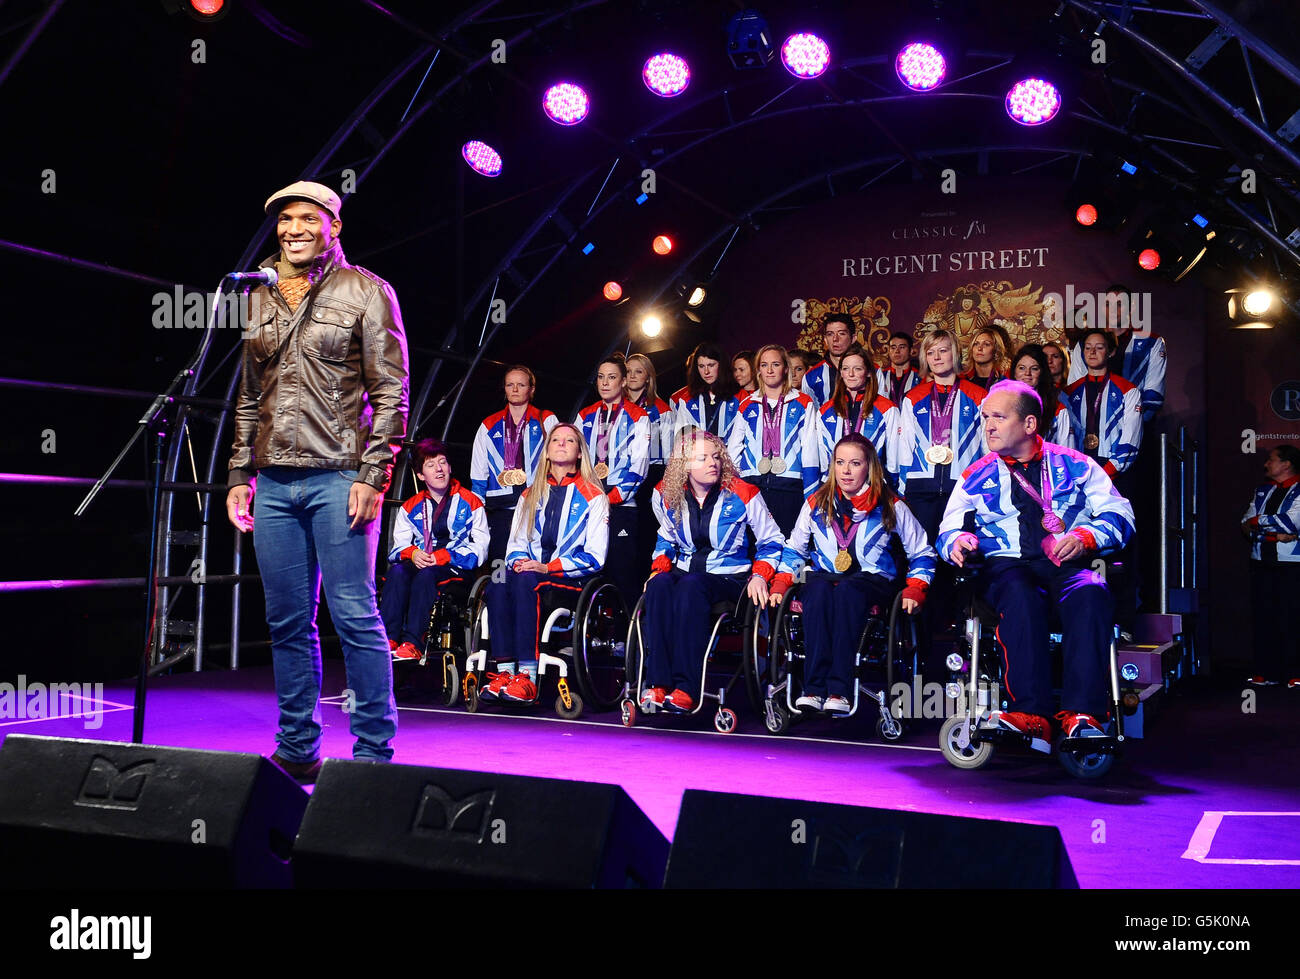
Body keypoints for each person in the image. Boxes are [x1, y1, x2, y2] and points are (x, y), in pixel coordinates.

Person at [226, 180, 408, 782]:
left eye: (307, 218)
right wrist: (237, 474)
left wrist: (372, 474)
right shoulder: (259, 296)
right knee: (285, 621)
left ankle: (372, 757)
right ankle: (298, 745)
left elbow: (391, 393)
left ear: (333, 226)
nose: (294, 229)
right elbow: (250, 396)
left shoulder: (368, 292)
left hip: (340, 477)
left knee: (353, 613)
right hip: (273, 484)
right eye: (284, 220)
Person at [937, 380, 1135, 740]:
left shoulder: (1077, 464)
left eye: (998, 416)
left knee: (1092, 590)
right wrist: (958, 541)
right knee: (1019, 594)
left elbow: (1121, 516)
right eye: (985, 417)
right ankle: (1031, 714)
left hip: (1066, 565)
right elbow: (946, 532)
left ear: (1029, 424)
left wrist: (1086, 536)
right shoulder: (974, 474)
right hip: (1006, 567)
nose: (989, 426)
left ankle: (1082, 715)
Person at [770, 434, 936, 714]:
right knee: (818, 590)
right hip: (825, 577)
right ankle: (813, 689)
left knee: (848, 591)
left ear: (869, 467)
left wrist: (916, 587)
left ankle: (840, 690)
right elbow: (794, 551)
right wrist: (781, 581)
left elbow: (922, 552)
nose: (846, 471)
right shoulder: (816, 502)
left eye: (855, 463)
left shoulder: (891, 504)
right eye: (840, 462)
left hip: (872, 581)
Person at [642, 429, 784, 712]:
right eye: (703, 458)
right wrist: (658, 570)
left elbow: (772, 541)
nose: (713, 463)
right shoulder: (668, 495)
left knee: (691, 585)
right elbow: (666, 539)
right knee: (659, 586)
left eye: (717, 456)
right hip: (687, 575)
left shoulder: (743, 493)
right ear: (685, 465)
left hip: (728, 578)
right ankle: (657, 684)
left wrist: (760, 575)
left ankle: (686, 687)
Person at [483, 424, 609, 702]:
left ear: (579, 453)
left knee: (526, 580)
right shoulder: (530, 494)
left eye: (569, 440)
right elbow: (515, 545)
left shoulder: (594, 496)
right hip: (529, 575)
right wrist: (519, 564)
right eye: (555, 440)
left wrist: (545, 568)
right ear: (547, 451)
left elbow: (595, 557)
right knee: (497, 580)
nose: (561, 444)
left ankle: (527, 676)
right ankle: (505, 671)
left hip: (569, 582)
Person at [382, 439, 488, 661]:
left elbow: (481, 549)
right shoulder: (409, 506)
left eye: (443, 462)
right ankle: (388, 639)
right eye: (430, 465)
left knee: (426, 575)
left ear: (450, 467)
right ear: (421, 475)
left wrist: (445, 556)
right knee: (397, 572)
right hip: (423, 562)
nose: (439, 469)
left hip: (456, 568)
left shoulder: (471, 502)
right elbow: (396, 548)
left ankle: (413, 643)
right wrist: (412, 553)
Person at [894, 328, 987, 542]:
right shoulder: (913, 398)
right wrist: (903, 487)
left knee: (959, 552)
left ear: (955, 353)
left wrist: (983, 484)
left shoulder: (978, 396)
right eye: (930, 352)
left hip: (964, 488)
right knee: (923, 551)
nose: (936, 358)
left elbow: (987, 447)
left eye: (943, 351)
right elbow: (906, 446)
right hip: (920, 487)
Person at [574, 353, 651, 602]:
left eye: (612, 377)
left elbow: (639, 465)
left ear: (624, 382)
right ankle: (590, 632)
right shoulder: (585, 415)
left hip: (621, 506)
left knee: (622, 571)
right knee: (589, 569)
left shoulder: (638, 416)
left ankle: (623, 635)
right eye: (600, 377)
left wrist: (613, 497)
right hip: (588, 504)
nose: (605, 383)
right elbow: (574, 458)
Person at [726, 344, 821, 534]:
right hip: (752, 488)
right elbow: (734, 449)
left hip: (790, 487)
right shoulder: (747, 404)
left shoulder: (803, 402)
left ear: (785, 368)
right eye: (764, 365)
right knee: (755, 550)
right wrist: (735, 489)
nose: (769, 370)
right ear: (758, 370)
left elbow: (810, 449)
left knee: (787, 546)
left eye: (775, 364)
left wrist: (811, 495)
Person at [470, 365, 559, 566]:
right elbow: (478, 472)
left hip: (537, 507)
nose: (515, 389)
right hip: (500, 511)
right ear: (504, 388)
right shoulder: (489, 425)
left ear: (531, 389)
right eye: (510, 384)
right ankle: (497, 596)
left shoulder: (546, 419)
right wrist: (478, 513)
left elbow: (560, 462)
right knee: (499, 568)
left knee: (532, 563)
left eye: (521, 384)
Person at [1241, 444, 1300, 688]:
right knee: (1265, 617)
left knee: (1292, 618)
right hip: (1262, 562)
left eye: (1271, 460)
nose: (1267, 464)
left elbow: (1292, 522)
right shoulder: (1262, 491)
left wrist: (1261, 526)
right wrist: (1275, 535)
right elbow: (1245, 523)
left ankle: (1295, 672)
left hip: (1293, 565)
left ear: (1286, 464)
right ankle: (1266, 672)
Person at [1067, 283, 1166, 423]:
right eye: (1108, 304)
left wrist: (1131, 426)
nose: (1113, 310)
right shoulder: (1084, 343)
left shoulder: (1151, 342)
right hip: (1093, 426)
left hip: (1137, 424)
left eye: (1119, 304)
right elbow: (1075, 388)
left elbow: (1153, 395)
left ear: (1132, 308)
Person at [817, 342, 901, 486]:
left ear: (868, 372)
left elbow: (894, 459)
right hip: (836, 486)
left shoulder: (887, 409)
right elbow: (823, 460)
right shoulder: (825, 411)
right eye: (845, 369)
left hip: (874, 486)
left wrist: (891, 489)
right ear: (841, 372)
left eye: (857, 369)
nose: (850, 374)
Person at [1061, 329, 1142, 479]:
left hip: (1113, 470)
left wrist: (1108, 472)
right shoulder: (1068, 393)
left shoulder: (1128, 391)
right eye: (1088, 347)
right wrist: (1073, 470)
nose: (1092, 352)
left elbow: (1131, 436)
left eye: (1099, 347)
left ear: (1111, 352)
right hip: (1078, 468)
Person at [626, 353, 673, 574]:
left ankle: (645, 580)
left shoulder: (661, 409)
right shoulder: (614, 407)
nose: (632, 376)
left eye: (639, 371)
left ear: (648, 377)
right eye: (628, 371)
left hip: (651, 474)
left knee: (644, 532)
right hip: (621, 472)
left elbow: (669, 451)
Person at [670, 342, 742, 443]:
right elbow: (682, 440)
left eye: (711, 365)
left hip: (731, 457)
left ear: (721, 365)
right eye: (701, 366)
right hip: (699, 457)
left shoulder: (740, 397)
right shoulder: (687, 400)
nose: (706, 371)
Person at [1012, 343, 1071, 445]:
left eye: (1034, 368)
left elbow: (1067, 453)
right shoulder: (1002, 405)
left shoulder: (1057, 409)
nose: (1027, 373)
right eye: (1021, 368)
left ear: (1043, 372)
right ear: (1014, 372)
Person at [802, 314, 856, 408]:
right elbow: (809, 414)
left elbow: (880, 410)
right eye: (830, 334)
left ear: (853, 338)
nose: (835, 339)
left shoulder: (872, 371)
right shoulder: (811, 376)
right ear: (826, 340)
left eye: (841, 333)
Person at [876, 330, 921, 405]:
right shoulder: (880, 377)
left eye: (902, 347)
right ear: (889, 351)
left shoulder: (920, 378)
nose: (897, 351)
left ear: (911, 351)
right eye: (893, 347)